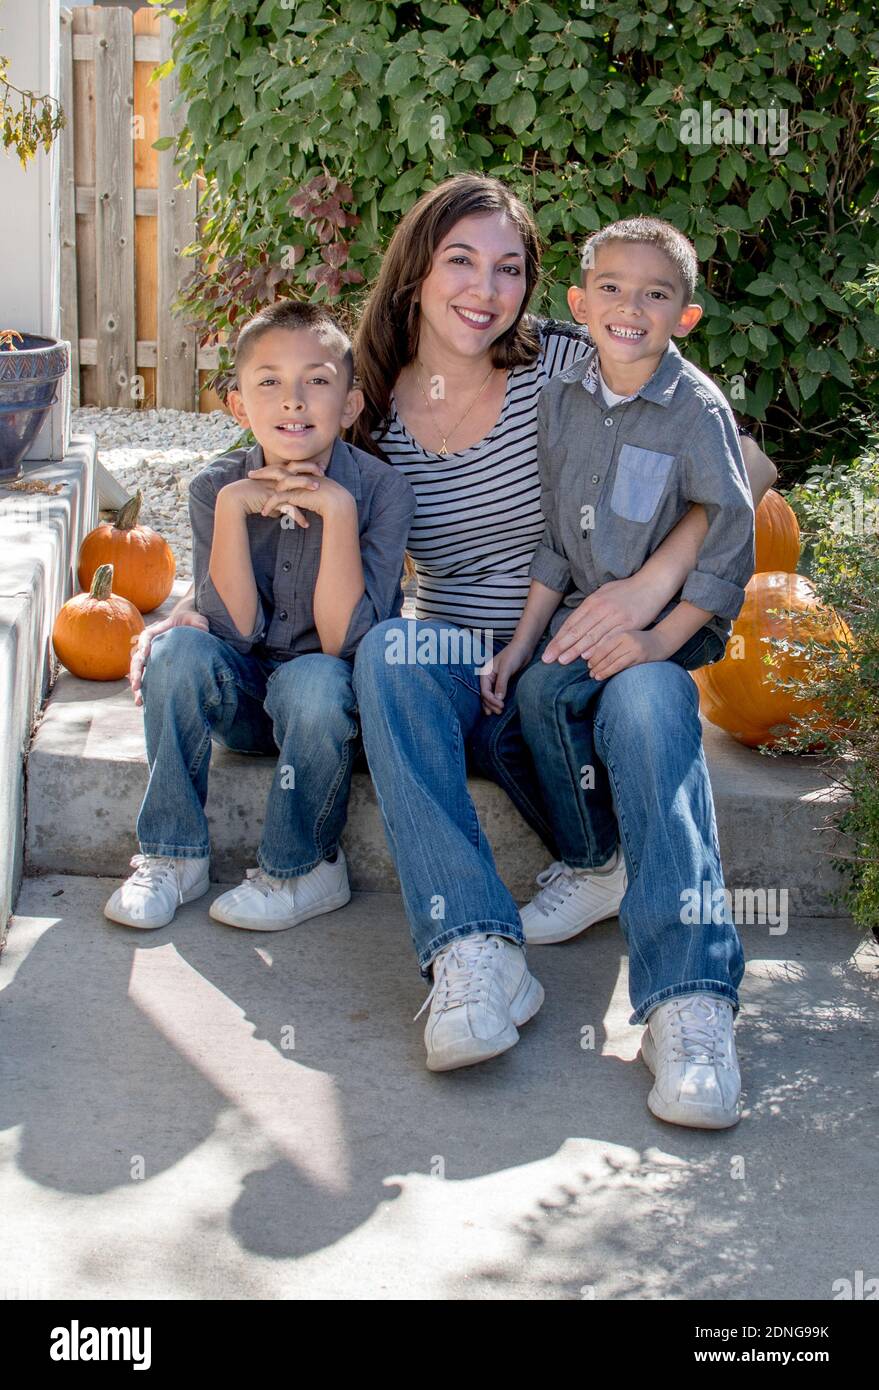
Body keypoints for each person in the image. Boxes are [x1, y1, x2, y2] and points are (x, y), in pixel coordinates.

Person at [344, 174, 776, 1107]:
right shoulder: (366, 405)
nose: (484, 288)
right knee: (389, 654)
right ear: (416, 271)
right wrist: (181, 614)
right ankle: (474, 952)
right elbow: (262, 455)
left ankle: (690, 1004)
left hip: (588, 661)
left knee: (659, 694)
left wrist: (652, 586)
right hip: (474, 669)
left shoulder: (568, 361)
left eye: (508, 268)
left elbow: (745, 465)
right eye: (460, 260)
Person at [481, 215, 756, 1128]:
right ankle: (595, 862)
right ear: (576, 301)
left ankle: (690, 1004)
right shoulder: (562, 400)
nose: (627, 307)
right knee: (534, 696)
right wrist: (522, 639)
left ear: (685, 315)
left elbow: (725, 543)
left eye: (654, 293)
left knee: (640, 705)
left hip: (673, 629)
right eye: (609, 287)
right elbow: (556, 542)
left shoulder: (695, 410)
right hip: (583, 616)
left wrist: (656, 637)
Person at [105, 300, 415, 931]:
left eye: (317, 381)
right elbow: (232, 630)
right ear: (239, 406)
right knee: (177, 653)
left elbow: (344, 642)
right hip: (246, 703)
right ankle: (173, 856)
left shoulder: (382, 491)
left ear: (350, 405)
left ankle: (303, 868)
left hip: (329, 711)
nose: (293, 401)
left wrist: (338, 512)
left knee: (314, 681)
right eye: (269, 382)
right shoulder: (215, 487)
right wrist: (231, 512)